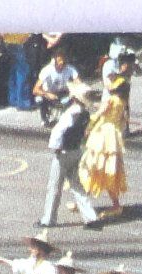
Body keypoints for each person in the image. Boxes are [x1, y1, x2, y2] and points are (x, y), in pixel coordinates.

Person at [41, 89, 102, 230]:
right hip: (76, 150)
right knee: (77, 185)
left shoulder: (70, 113)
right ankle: (90, 217)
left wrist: (55, 147)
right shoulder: (85, 114)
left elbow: (58, 131)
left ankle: (49, 219)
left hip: (64, 152)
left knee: (55, 186)